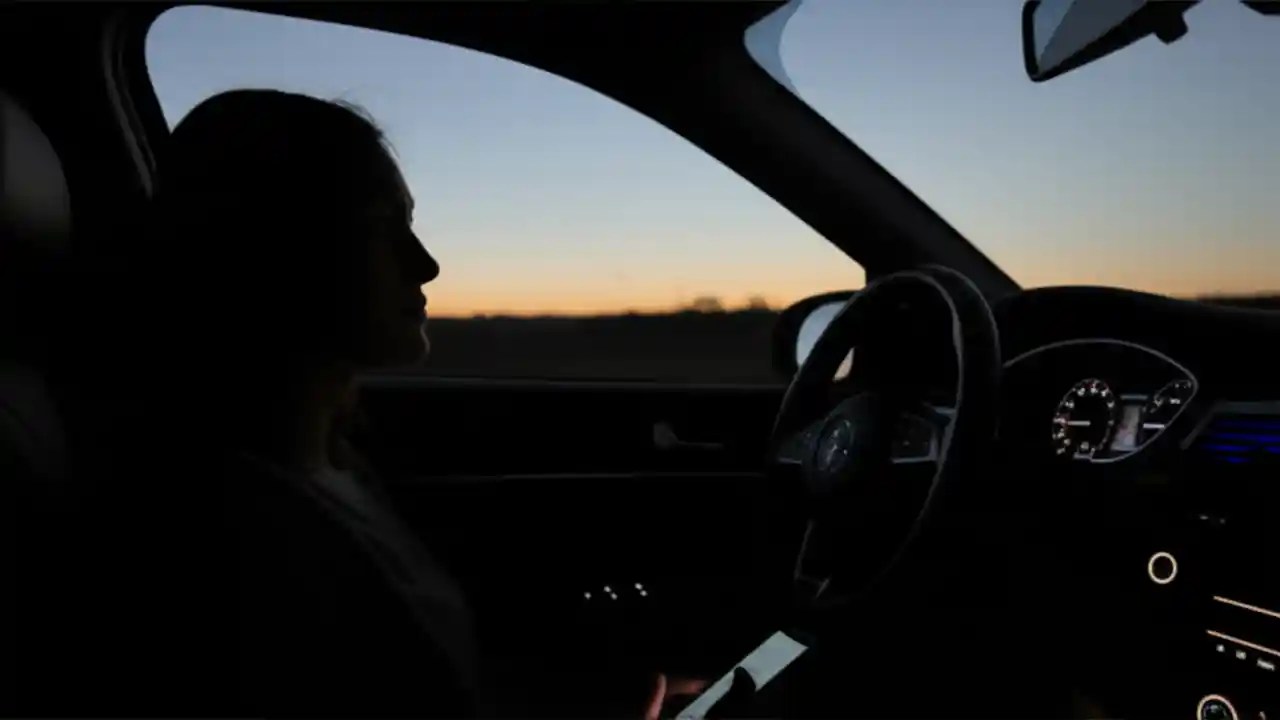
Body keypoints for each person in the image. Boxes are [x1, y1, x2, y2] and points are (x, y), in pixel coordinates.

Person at [95, 89, 676, 719]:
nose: (424, 264)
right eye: (382, 227)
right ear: (272, 247)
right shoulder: (235, 533)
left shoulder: (323, 460)